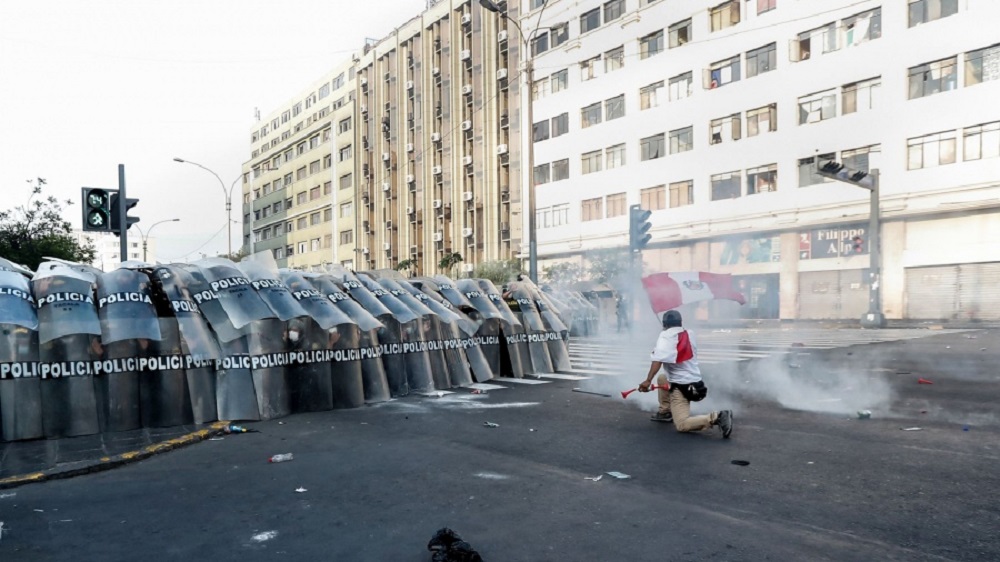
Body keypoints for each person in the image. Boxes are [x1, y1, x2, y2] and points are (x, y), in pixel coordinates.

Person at [638, 310, 733, 438]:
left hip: (681, 386)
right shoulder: (690, 333)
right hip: (696, 383)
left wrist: (648, 381)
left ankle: (717, 417)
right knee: (662, 378)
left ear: (664, 324)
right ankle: (665, 411)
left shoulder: (666, 336)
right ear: (680, 322)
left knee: (682, 424)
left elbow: (658, 360)